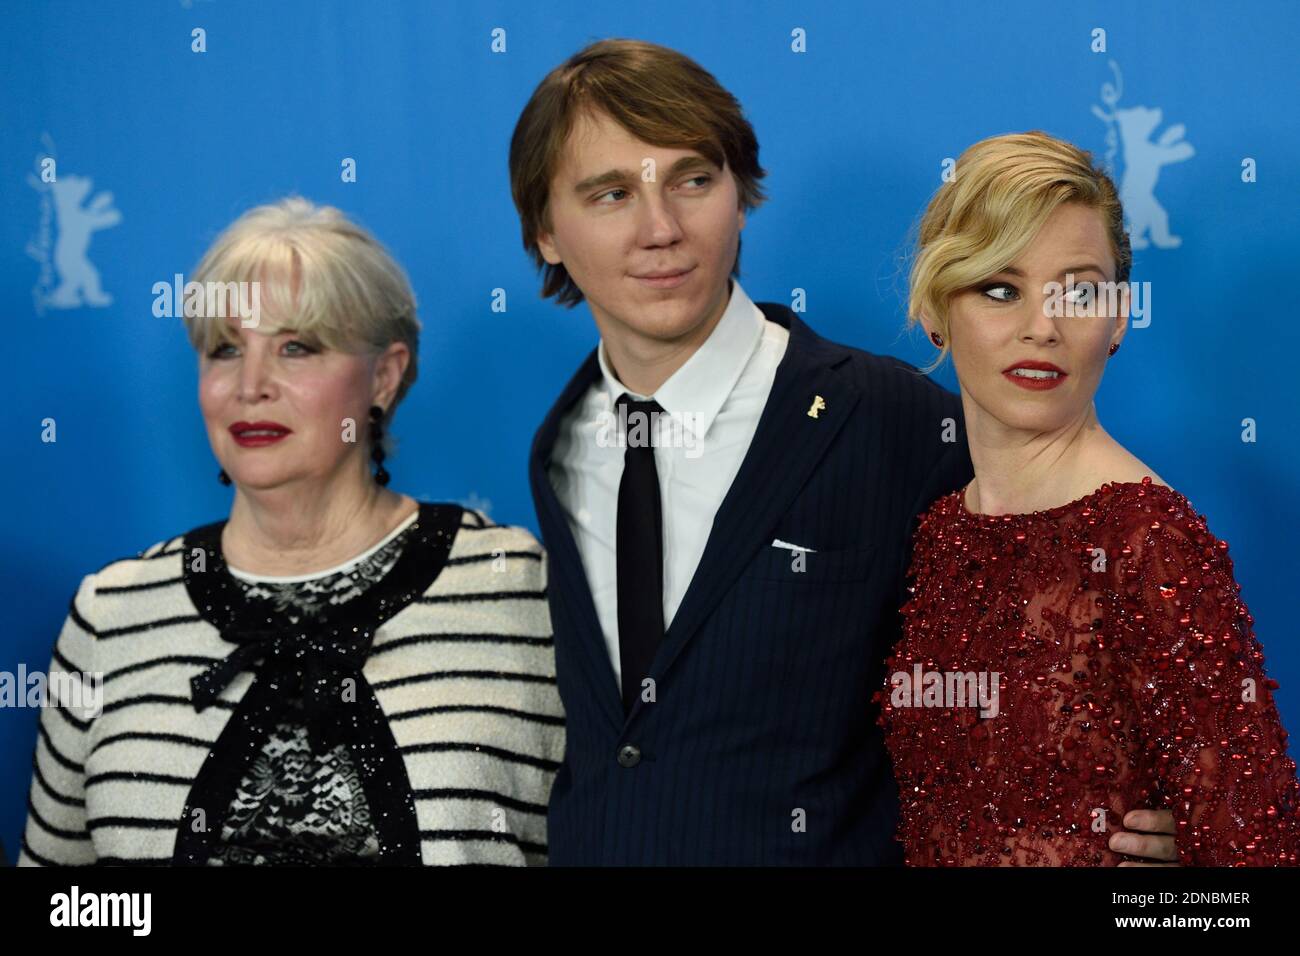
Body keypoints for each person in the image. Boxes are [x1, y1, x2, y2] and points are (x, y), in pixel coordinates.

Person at [510, 38, 1178, 864]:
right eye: (611, 194)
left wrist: (1143, 832)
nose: (661, 229)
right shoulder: (560, 442)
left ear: (741, 193)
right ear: (546, 230)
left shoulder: (894, 420)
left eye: (692, 180)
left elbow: (1057, 683)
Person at [20, 198, 563, 866]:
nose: (251, 385)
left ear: (384, 376)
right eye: (225, 350)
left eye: (296, 347)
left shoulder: (516, 590)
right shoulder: (112, 616)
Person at [877, 131, 1300, 865]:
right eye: (1000, 289)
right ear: (938, 308)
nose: (1043, 328)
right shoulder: (944, 529)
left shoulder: (1146, 538)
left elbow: (1256, 859)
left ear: (1118, 319)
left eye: (1078, 292)